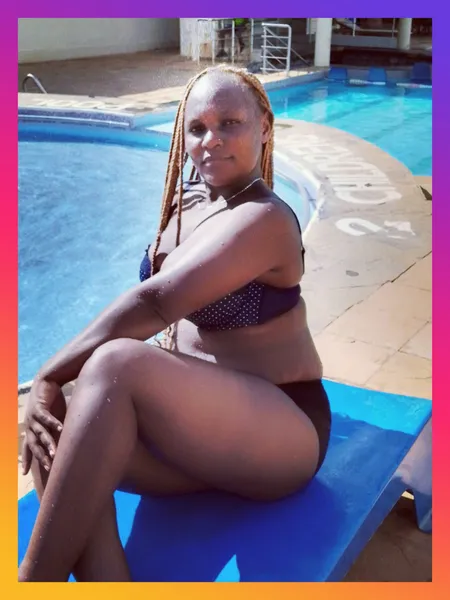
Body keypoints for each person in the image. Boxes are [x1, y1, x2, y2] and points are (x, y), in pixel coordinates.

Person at [19, 65, 331, 582]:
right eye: (197, 128)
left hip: (282, 433)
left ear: (264, 127)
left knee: (111, 364)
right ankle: (107, 583)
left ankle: (33, 581)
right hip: (196, 437)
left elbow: (157, 302)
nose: (211, 140)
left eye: (230, 123)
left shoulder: (266, 218)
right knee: (55, 419)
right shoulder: (189, 206)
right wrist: (55, 389)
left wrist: (48, 373)